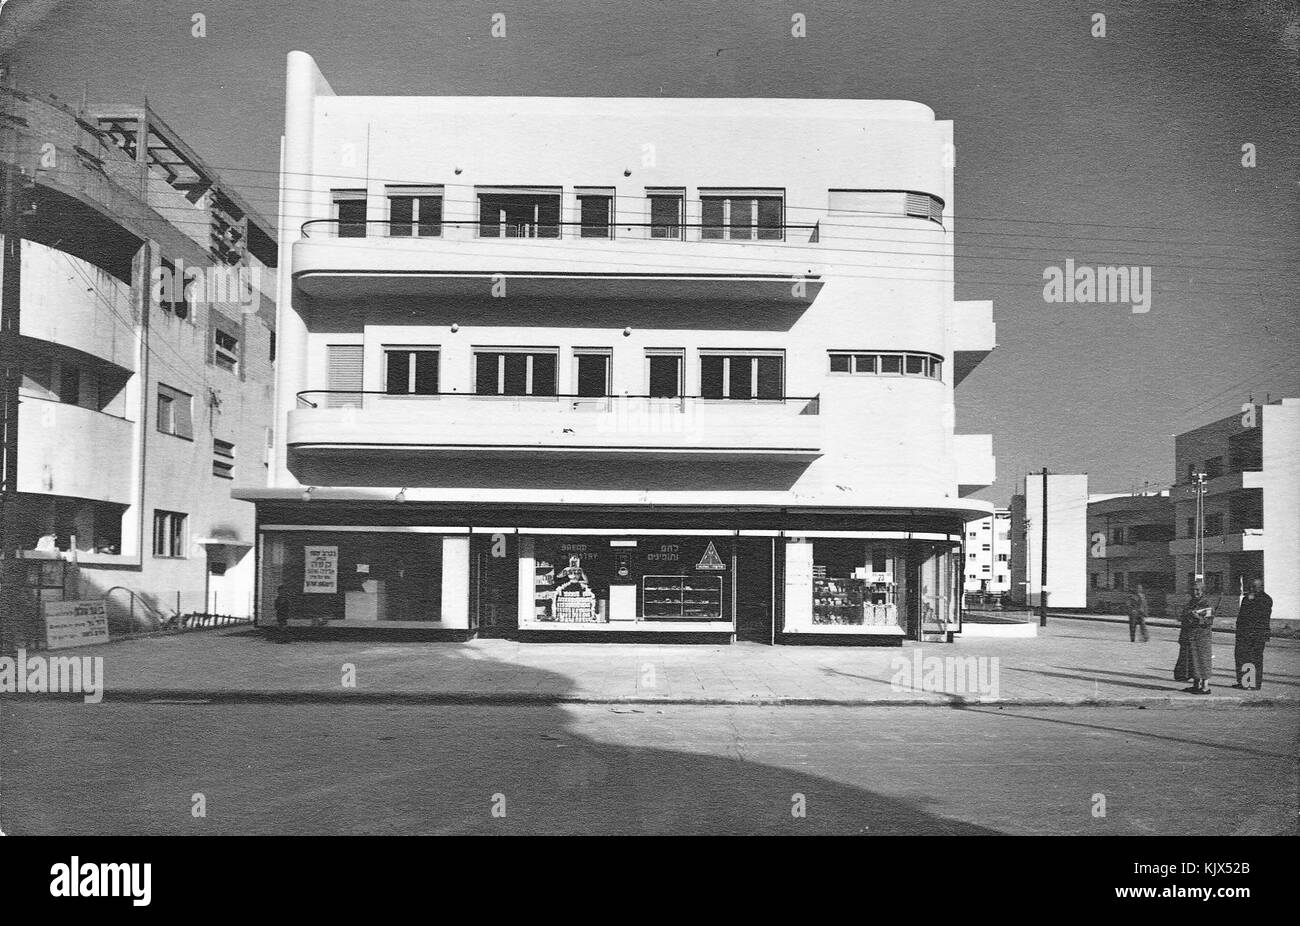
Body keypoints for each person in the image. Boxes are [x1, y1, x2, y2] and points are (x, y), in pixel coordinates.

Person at [1174, 580, 1215, 694]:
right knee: (1193, 662)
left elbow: (1209, 621)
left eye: (1197, 590)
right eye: (1193, 589)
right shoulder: (1191, 602)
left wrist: (1197, 617)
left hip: (1202, 638)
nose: (1195, 592)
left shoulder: (1207, 603)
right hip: (1191, 637)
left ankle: (1205, 687)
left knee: (1203, 662)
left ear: (1202, 591)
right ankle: (1196, 685)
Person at [1233, 578, 1273, 690]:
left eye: (1254, 587)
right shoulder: (1247, 598)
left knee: (1255, 659)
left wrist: (1252, 599)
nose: (1251, 589)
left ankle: (1254, 684)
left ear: (1261, 587)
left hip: (1257, 635)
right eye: (1250, 587)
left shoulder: (1266, 599)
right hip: (1244, 634)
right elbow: (1242, 616)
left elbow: (1258, 616)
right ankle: (1244, 682)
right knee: (1243, 658)